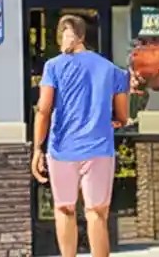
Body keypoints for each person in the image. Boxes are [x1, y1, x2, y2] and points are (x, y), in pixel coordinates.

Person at [31, 15, 130, 257]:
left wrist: (37, 149)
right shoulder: (110, 70)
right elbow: (122, 116)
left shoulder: (53, 67)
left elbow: (43, 110)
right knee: (96, 213)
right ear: (83, 36)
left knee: (64, 208)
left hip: (62, 149)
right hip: (98, 149)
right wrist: (113, 118)